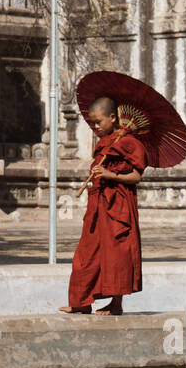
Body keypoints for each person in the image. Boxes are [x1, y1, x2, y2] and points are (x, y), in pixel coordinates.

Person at [60, 97, 146, 316]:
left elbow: (136, 176)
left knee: (117, 255)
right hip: (98, 204)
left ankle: (116, 305)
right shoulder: (106, 142)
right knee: (86, 254)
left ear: (113, 117)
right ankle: (81, 301)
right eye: (92, 123)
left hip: (118, 206)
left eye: (99, 122)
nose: (96, 127)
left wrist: (110, 174)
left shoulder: (131, 143)